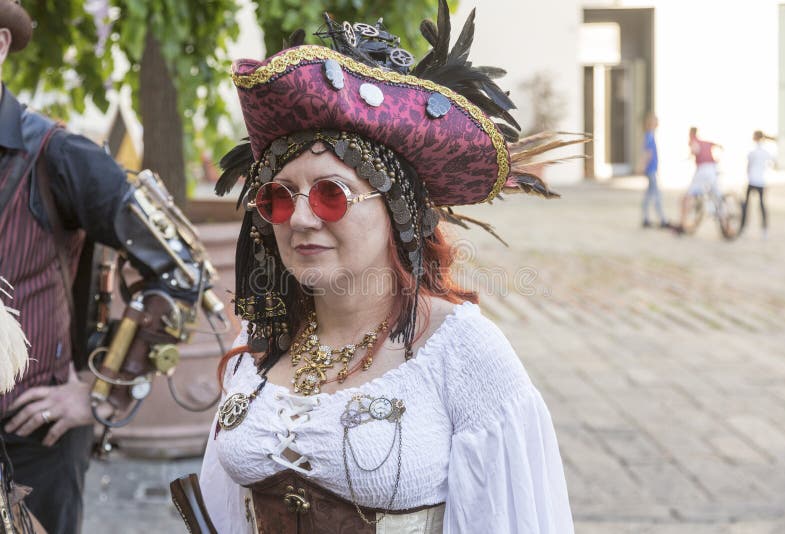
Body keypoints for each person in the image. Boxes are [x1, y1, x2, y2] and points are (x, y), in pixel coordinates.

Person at [196, 2, 575, 532]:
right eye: (278, 199)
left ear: (398, 212)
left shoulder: (463, 352)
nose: (300, 219)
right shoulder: (263, 338)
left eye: (331, 195)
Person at [0, 2, 203, 532]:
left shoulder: (58, 155)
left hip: (30, 444)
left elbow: (180, 268)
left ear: (0, 46)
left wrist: (98, 390)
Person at [678, 127, 722, 232]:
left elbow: (695, 150)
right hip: (713, 168)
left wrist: (689, 156)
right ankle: (726, 224)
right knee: (717, 196)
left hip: (703, 169)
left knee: (688, 196)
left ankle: (682, 224)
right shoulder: (705, 142)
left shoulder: (693, 141)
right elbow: (719, 146)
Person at [740, 130, 775, 238]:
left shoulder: (753, 151)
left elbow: (748, 167)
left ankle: (743, 228)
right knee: (761, 206)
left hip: (752, 181)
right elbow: (773, 164)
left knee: (746, 206)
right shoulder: (765, 152)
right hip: (760, 182)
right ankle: (764, 230)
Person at [640, 113, 668, 228]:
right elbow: (648, 153)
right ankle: (662, 219)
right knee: (656, 194)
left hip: (652, 169)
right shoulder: (649, 136)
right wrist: (642, 166)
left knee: (648, 194)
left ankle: (645, 218)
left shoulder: (649, 135)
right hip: (651, 170)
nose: (658, 123)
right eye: (656, 121)